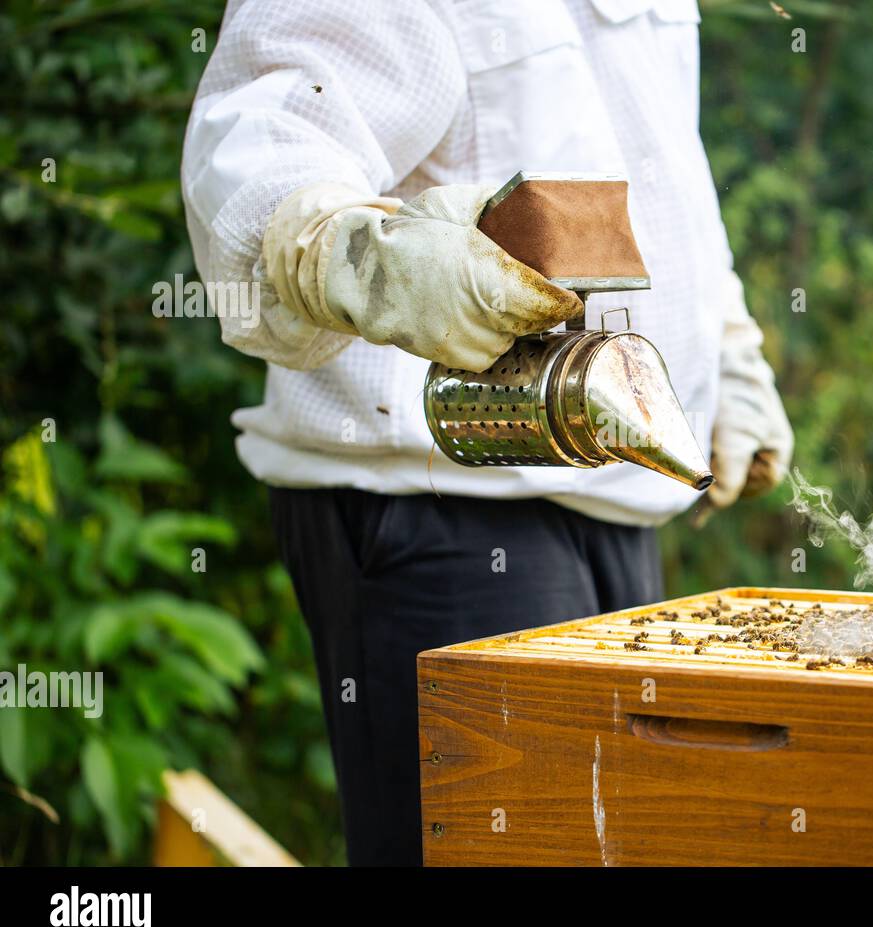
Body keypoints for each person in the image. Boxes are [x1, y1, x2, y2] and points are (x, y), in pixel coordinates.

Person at [181, 0, 793, 865]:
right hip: (441, 512)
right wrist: (359, 257)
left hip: (618, 500)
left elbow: (656, 167)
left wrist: (727, 351)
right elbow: (258, 139)